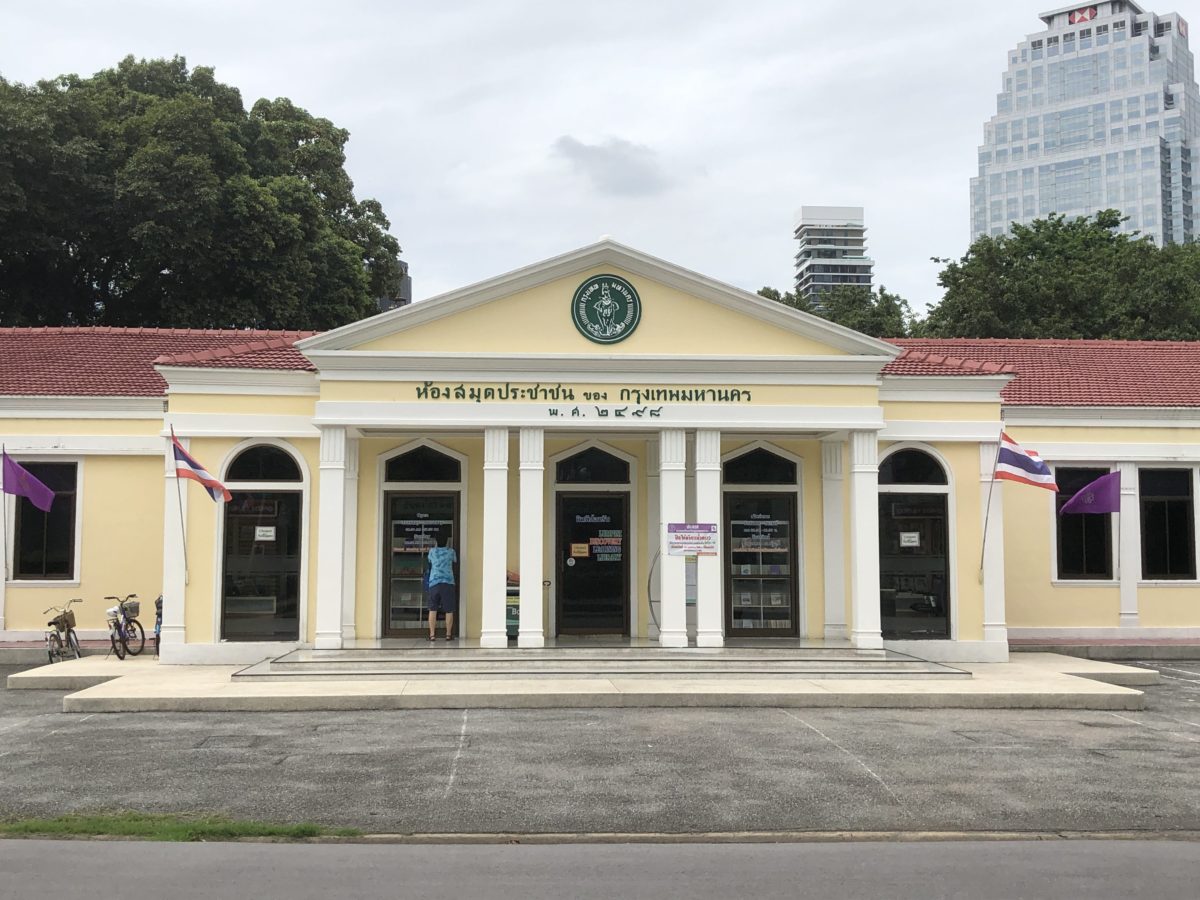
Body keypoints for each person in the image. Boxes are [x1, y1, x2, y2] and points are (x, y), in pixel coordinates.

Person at [426, 536, 458, 641]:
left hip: (434, 582)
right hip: (448, 582)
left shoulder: (432, 552)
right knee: (449, 610)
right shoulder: (451, 552)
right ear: (447, 542)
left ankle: (432, 634)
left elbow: (429, 562)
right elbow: (455, 562)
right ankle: (448, 634)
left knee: (433, 608)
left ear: (436, 542)